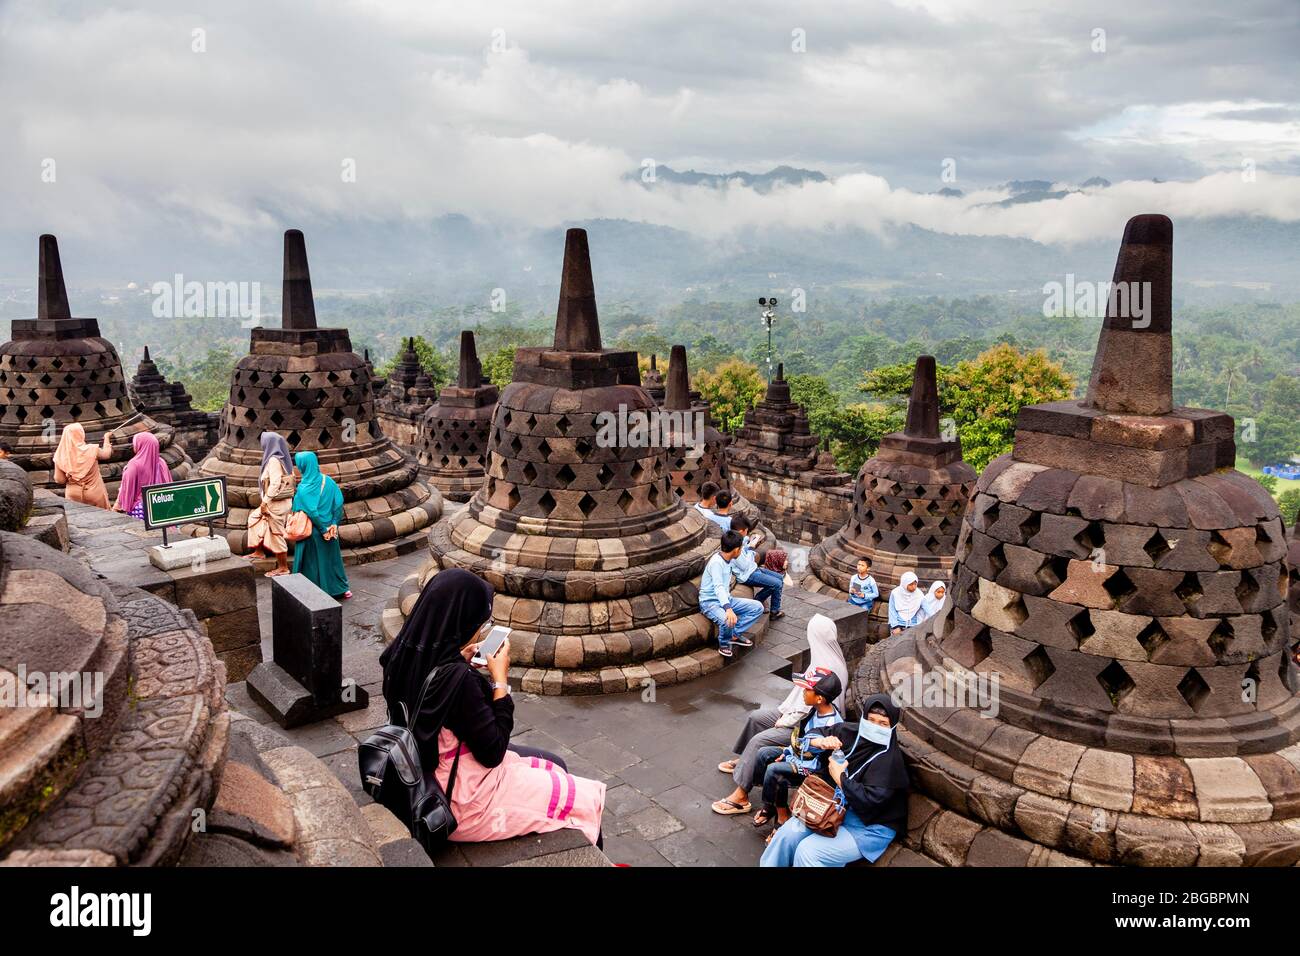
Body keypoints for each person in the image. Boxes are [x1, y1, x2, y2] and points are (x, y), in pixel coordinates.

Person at [379, 569, 605, 845]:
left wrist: (456, 658)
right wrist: (500, 680)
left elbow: (430, 696)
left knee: (555, 763)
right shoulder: (457, 681)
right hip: (460, 797)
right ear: (461, 623)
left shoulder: (399, 658)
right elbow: (493, 751)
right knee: (584, 800)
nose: (480, 630)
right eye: (480, 623)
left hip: (424, 769)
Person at [712, 613, 847, 816]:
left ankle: (741, 795)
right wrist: (784, 713)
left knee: (760, 741)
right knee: (755, 718)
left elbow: (810, 709)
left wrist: (785, 720)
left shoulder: (831, 667)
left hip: (803, 725)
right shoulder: (822, 655)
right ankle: (745, 762)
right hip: (793, 712)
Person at [761, 693, 910, 867]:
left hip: (867, 826)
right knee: (786, 835)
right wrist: (820, 742)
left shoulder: (890, 762)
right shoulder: (849, 733)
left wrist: (840, 777)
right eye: (871, 720)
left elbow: (869, 801)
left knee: (809, 851)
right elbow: (811, 736)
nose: (875, 726)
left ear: (892, 727)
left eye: (883, 724)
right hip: (830, 808)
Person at [752, 668, 843, 833]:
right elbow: (799, 738)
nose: (803, 692)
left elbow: (813, 748)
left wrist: (791, 757)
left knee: (775, 771)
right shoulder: (816, 710)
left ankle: (781, 816)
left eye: (807, 689)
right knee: (763, 754)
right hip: (797, 753)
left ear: (819, 698)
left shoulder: (832, 724)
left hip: (814, 767)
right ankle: (771, 804)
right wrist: (787, 753)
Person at [290, 451, 351, 600]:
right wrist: (334, 524)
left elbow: (311, 511)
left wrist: (323, 530)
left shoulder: (304, 488)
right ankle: (341, 589)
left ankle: (311, 590)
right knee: (332, 561)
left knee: (311, 563)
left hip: (313, 532)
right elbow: (338, 502)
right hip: (331, 528)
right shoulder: (328, 480)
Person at [698, 530, 764, 658]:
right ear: (736, 550)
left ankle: (734, 634)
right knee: (727, 620)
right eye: (740, 549)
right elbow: (718, 587)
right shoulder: (717, 562)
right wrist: (728, 609)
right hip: (710, 603)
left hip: (726, 599)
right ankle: (723, 643)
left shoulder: (729, 559)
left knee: (757, 607)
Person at [247, 432, 296, 577]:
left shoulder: (274, 460)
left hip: (275, 505)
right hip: (281, 503)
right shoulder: (283, 458)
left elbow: (275, 483)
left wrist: (265, 501)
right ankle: (259, 551)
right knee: (255, 519)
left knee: (276, 533)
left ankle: (283, 567)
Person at [727, 514, 784, 620]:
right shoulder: (734, 545)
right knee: (777, 584)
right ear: (741, 531)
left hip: (753, 569)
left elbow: (744, 551)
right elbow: (744, 565)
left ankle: (775, 609)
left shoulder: (737, 539)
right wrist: (751, 550)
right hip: (747, 574)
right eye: (746, 531)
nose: (747, 533)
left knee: (780, 578)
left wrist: (749, 544)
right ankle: (759, 600)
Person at [53, 422, 113, 509]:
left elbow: (60, 480)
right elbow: (106, 454)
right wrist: (107, 439)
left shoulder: (60, 455)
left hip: (73, 494)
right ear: (81, 434)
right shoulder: (91, 449)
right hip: (94, 492)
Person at [112, 432, 171, 518]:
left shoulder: (134, 465)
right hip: (161, 504)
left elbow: (126, 489)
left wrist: (118, 505)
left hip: (142, 510)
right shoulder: (161, 462)